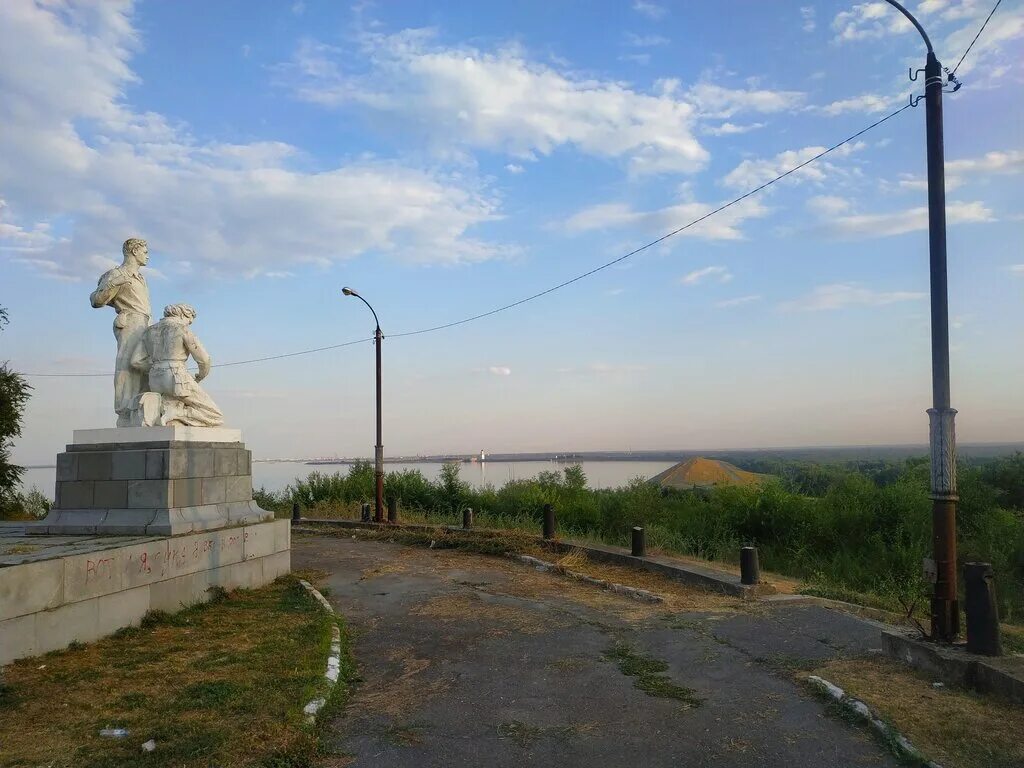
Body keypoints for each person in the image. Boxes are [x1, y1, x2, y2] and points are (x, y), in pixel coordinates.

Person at [90, 238, 151, 426]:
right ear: (134, 251)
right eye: (145, 251)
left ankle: (141, 409)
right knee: (126, 365)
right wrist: (115, 283)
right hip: (130, 321)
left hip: (144, 322)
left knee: (143, 365)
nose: (147, 255)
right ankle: (125, 411)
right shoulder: (117, 273)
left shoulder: (140, 277)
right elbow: (96, 300)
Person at [130, 303, 224, 427]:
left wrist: (156, 368)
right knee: (215, 415)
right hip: (176, 377)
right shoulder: (182, 329)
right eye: (189, 320)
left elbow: (136, 361)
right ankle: (178, 413)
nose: (189, 323)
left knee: (172, 402)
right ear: (183, 315)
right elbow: (204, 360)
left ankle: (169, 417)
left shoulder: (149, 331)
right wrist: (200, 376)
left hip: (155, 380)